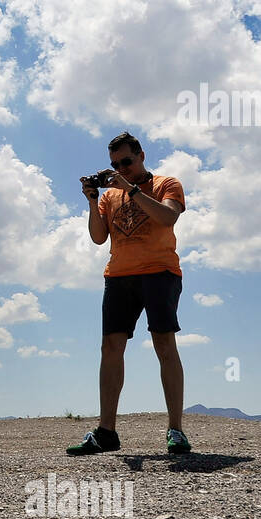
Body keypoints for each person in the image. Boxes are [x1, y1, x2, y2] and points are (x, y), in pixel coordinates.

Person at [67, 132, 192, 456]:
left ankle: (175, 429)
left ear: (141, 156)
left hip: (160, 272)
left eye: (126, 162)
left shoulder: (167, 184)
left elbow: (167, 217)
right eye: (115, 165)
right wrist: (93, 200)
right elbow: (98, 237)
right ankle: (106, 431)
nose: (121, 168)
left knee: (164, 343)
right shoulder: (111, 196)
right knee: (110, 347)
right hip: (119, 275)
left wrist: (131, 189)